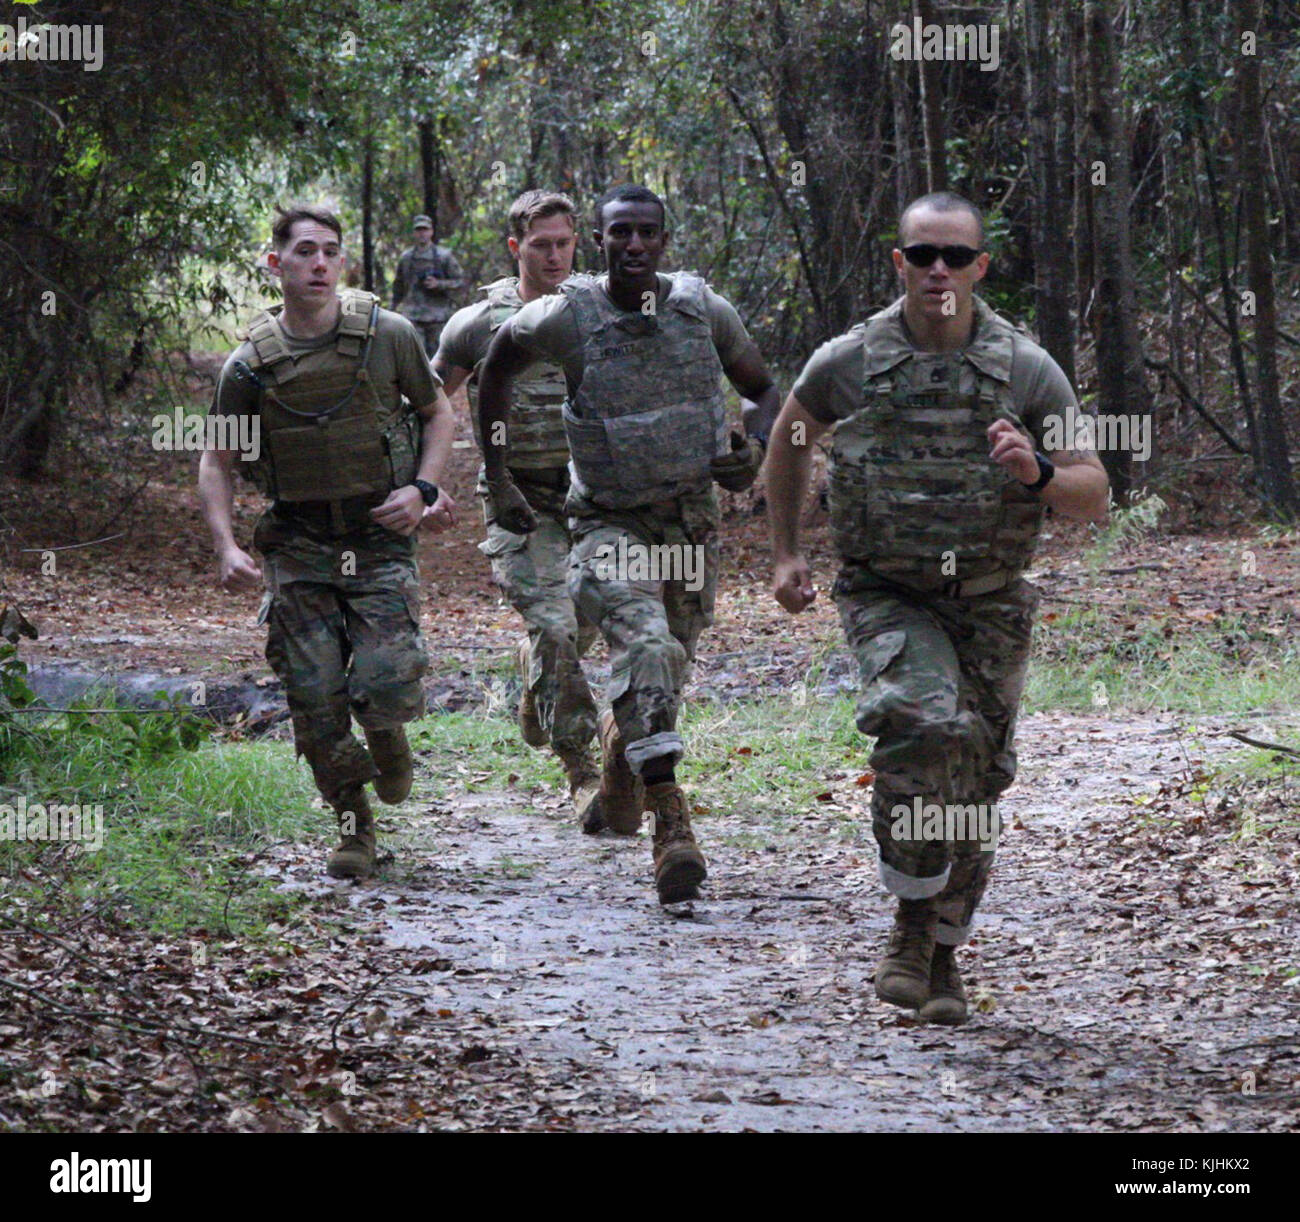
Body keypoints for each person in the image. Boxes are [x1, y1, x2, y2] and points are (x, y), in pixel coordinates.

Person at [765, 191, 1109, 1023]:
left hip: (989, 602)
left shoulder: (1025, 368)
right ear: (900, 263)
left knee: (978, 777)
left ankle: (946, 952)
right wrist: (786, 552)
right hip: (889, 591)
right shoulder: (851, 359)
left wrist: (1034, 472)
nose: (939, 270)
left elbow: (1092, 491)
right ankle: (912, 926)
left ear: (981, 267)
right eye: (923, 255)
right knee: (925, 726)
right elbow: (790, 439)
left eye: (956, 256)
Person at [477, 184, 780, 904]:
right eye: (621, 234)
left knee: (666, 667)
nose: (635, 245)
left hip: (688, 526)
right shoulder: (566, 317)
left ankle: (622, 756)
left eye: (647, 233)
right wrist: (496, 473)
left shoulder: (702, 311)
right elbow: (494, 366)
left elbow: (764, 388)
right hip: (607, 523)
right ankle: (671, 819)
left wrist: (756, 444)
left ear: (664, 241)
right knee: (646, 648)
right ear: (602, 241)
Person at [198, 205, 459, 881]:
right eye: (306, 251)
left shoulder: (388, 336)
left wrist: (424, 490)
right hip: (299, 542)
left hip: (378, 535)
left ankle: (386, 730)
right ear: (275, 262)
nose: (320, 263)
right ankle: (354, 826)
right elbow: (218, 461)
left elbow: (438, 414)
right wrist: (226, 545)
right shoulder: (249, 367)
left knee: (383, 680)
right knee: (314, 701)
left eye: (331, 253)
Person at [434, 190, 632, 833]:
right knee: (552, 627)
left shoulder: (601, 310)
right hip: (519, 499)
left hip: (594, 499)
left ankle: (534, 682)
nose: (553, 255)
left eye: (564, 242)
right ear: (516, 248)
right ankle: (582, 771)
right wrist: (422, 481)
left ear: (579, 243)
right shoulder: (479, 322)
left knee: (577, 628)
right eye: (540, 244)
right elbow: (428, 403)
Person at [392, 214, 465, 359]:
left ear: (431, 231)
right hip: (413, 316)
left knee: (439, 359)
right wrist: (393, 308)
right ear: (414, 233)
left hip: (437, 316)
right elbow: (398, 285)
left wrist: (439, 284)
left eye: (425, 229)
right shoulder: (406, 258)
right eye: (418, 230)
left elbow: (460, 281)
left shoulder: (444, 256)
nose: (422, 233)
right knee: (415, 358)